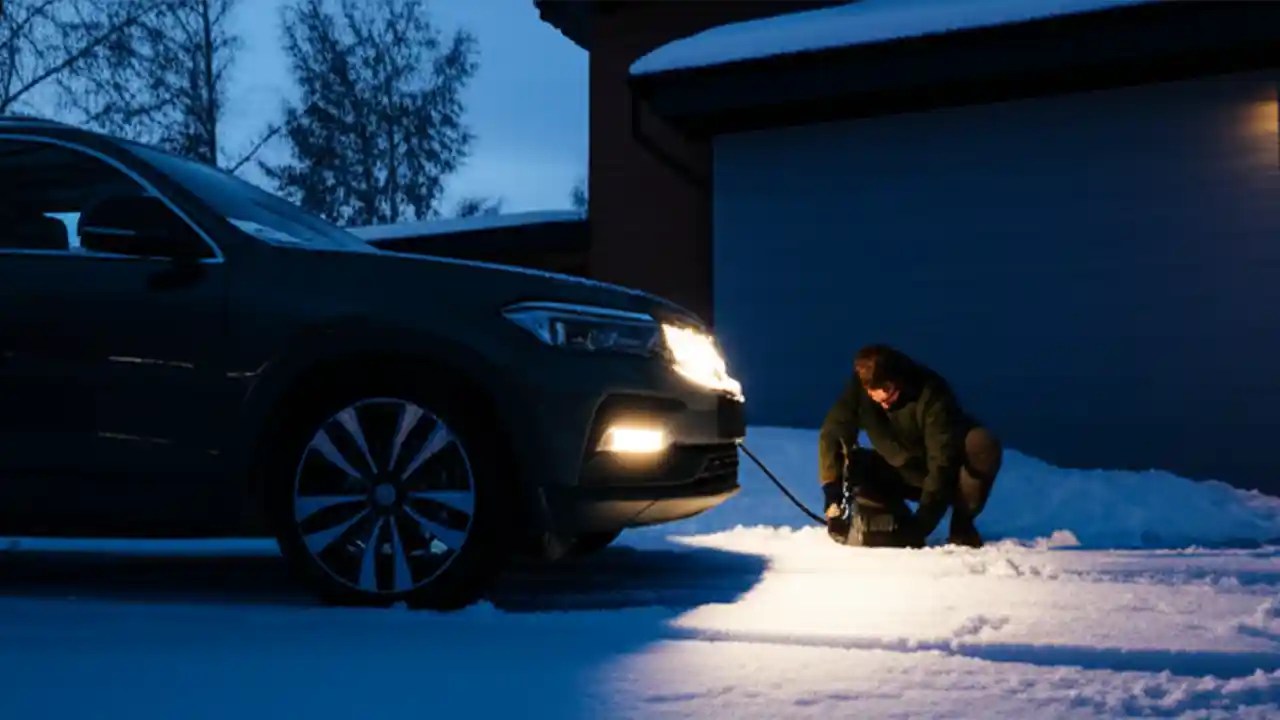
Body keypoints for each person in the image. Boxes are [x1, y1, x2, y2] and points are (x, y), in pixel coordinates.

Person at [818, 344, 1002, 548]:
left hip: (947, 477)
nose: (884, 402)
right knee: (858, 464)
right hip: (901, 467)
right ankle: (884, 519)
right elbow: (833, 431)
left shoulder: (932, 394)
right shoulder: (860, 389)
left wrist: (921, 526)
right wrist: (832, 497)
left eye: (889, 393)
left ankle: (962, 525)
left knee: (981, 443)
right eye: (876, 397)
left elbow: (941, 463)